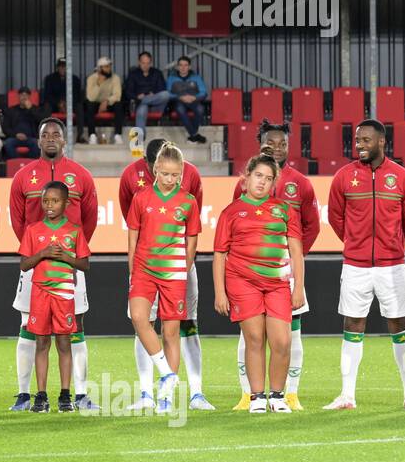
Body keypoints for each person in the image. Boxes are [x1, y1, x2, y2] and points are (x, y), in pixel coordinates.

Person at [325, 119, 405, 410]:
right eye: (357, 140)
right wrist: (356, 242)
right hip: (356, 265)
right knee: (352, 324)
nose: (360, 145)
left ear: (381, 142)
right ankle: (347, 395)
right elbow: (337, 219)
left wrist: (391, 243)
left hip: (392, 266)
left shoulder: (403, 178)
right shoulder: (343, 177)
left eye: (366, 140)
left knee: (399, 324)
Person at [9, 117, 99, 411]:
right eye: (45, 134)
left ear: (64, 140)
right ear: (38, 141)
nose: (50, 138)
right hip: (35, 261)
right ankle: (26, 394)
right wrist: (36, 250)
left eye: (56, 134)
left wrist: (71, 254)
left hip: (68, 264)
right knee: (29, 325)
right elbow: (18, 221)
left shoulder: (81, 175)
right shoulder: (23, 176)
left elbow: (90, 220)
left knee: (75, 325)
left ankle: (79, 393)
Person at [119, 138, 212, 410]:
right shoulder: (141, 197)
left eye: (176, 175)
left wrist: (184, 266)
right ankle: (166, 375)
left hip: (174, 273)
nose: (170, 179)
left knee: (172, 333)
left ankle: (167, 397)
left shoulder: (188, 201)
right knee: (139, 319)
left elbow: (192, 238)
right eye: (165, 173)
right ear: (155, 169)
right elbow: (132, 236)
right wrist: (133, 267)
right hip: (144, 270)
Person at [233, 121, 320, 411]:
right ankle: (249, 394)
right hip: (249, 275)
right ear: (260, 144)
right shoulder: (244, 183)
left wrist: (291, 259)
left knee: (290, 334)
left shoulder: (301, 183)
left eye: (283, 143)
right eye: (271, 143)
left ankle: (290, 393)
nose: (278, 148)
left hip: (285, 272)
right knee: (251, 334)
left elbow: (312, 226)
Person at [213, 155, 305, 414]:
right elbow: (219, 254)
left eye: (268, 178)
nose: (262, 182)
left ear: (274, 182)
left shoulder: (285, 210)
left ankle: (277, 396)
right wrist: (220, 292)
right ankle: (256, 397)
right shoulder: (230, 212)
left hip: (277, 283)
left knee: (282, 341)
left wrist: (298, 288)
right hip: (242, 282)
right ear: (247, 177)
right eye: (258, 176)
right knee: (254, 338)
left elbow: (296, 251)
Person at [16, 181, 90, 413]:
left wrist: (66, 257)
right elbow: (24, 264)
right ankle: (41, 396)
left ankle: (65, 395)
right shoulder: (33, 230)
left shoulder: (75, 231)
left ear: (66, 203)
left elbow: (85, 264)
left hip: (64, 292)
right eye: (46, 201)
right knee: (41, 343)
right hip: (39, 293)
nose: (49, 205)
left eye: (55, 201)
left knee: (64, 343)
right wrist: (43, 253)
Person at [80, 56, 124, 144]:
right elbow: (90, 97)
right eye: (106, 67)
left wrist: (107, 101)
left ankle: (117, 135)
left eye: (109, 66)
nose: (109, 69)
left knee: (119, 105)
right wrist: (99, 84)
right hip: (95, 104)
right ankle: (92, 135)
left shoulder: (115, 78)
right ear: (100, 68)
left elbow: (117, 95)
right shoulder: (91, 78)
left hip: (109, 103)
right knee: (89, 105)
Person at [125, 50, 170, 135]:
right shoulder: (133, 74)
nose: (145, 65)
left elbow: (162, 89)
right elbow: (128, 92)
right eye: (143, 63)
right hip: (139, 104)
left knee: (166, 94)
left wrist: (153, 95)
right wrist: (137, 97)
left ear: (151, 63)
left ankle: (144, 100)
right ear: (139, 62)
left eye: (148, 63)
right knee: (142, 109)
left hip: (156, 105)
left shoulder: (157, 73)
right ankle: (140, 138)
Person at [166, 56, 209, 143]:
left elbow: (204, 92)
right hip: (178, 101)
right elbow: (167, 94)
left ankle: (193, 135)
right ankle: (194, 134)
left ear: (189, 67)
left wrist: (194, 97)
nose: (183, 68)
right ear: (177, 67)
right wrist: (180, 97)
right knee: (180, 109)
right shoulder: (171, 78)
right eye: (181, 65)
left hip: (193, 101)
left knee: (200, 109)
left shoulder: (196, 77)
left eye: (186, 65)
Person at [2, 87, 44, 160]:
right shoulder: (11, 110)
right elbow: (5, 127)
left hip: (31, 138)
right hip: (14, 137)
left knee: (37, 144)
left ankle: (29, 163)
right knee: (8, 143)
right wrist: (16, 135)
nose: (24, 97)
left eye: (26, 95)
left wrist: (31, 109)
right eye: (22, 95)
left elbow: (41, 122)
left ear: (29, 97)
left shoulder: (35, 109)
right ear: (18, 97)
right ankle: (17, 163)